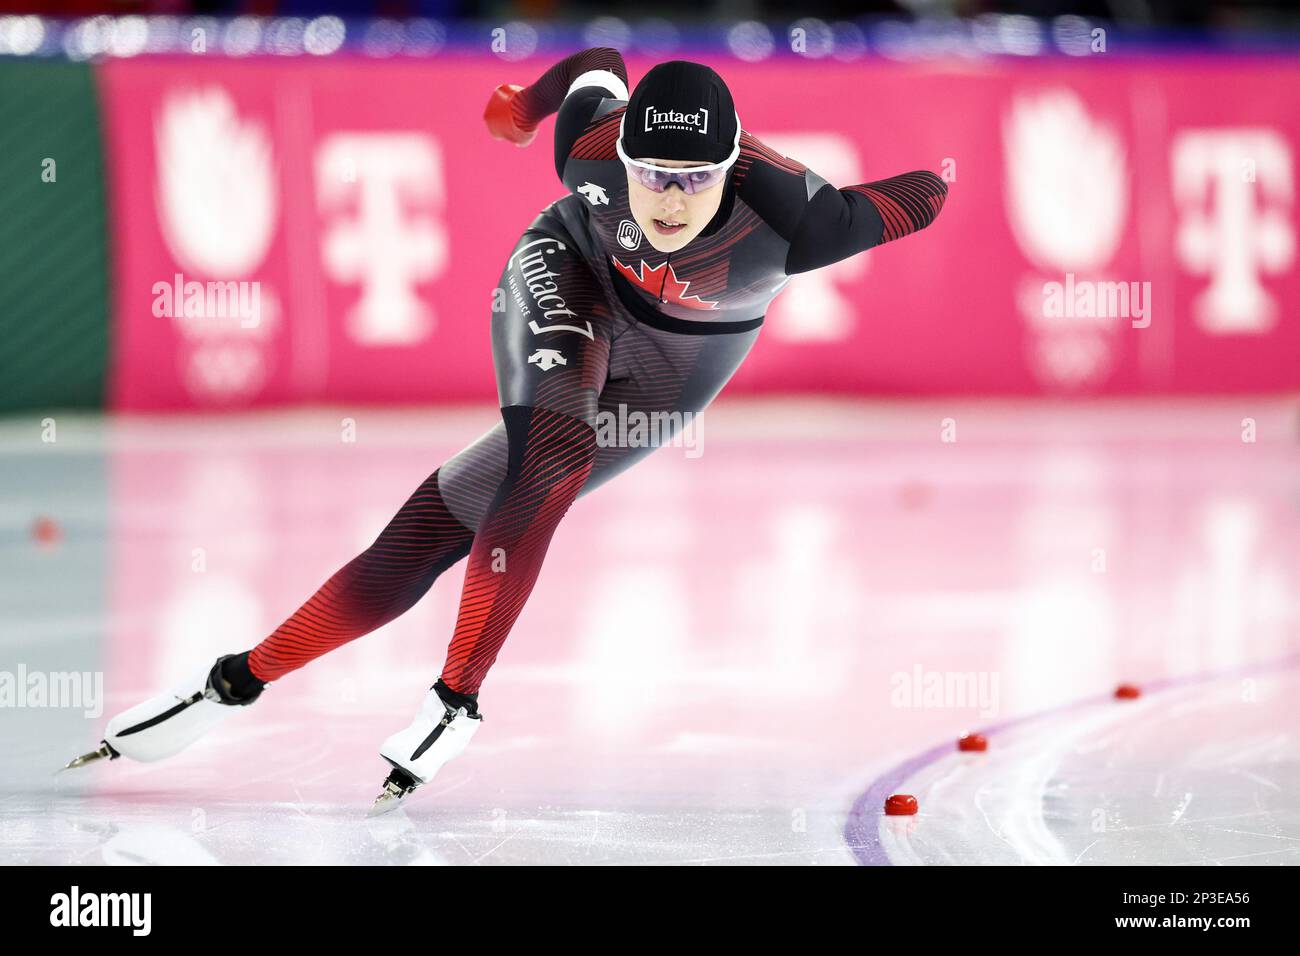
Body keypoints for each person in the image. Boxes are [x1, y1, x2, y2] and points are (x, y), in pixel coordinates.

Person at [65, 49, 948, 814]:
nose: (669, 201)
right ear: (623, 155)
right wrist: (523, 112)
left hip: (680, 370)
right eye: (650, 174)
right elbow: (594, 64)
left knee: (430, 532)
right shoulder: (592, 150)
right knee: (551, 457)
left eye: (694, 179)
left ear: (731, 166)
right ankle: (455, 700)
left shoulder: (802, 218)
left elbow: (919, 198)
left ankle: (235, 679)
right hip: (570, 276)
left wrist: (951, 172)